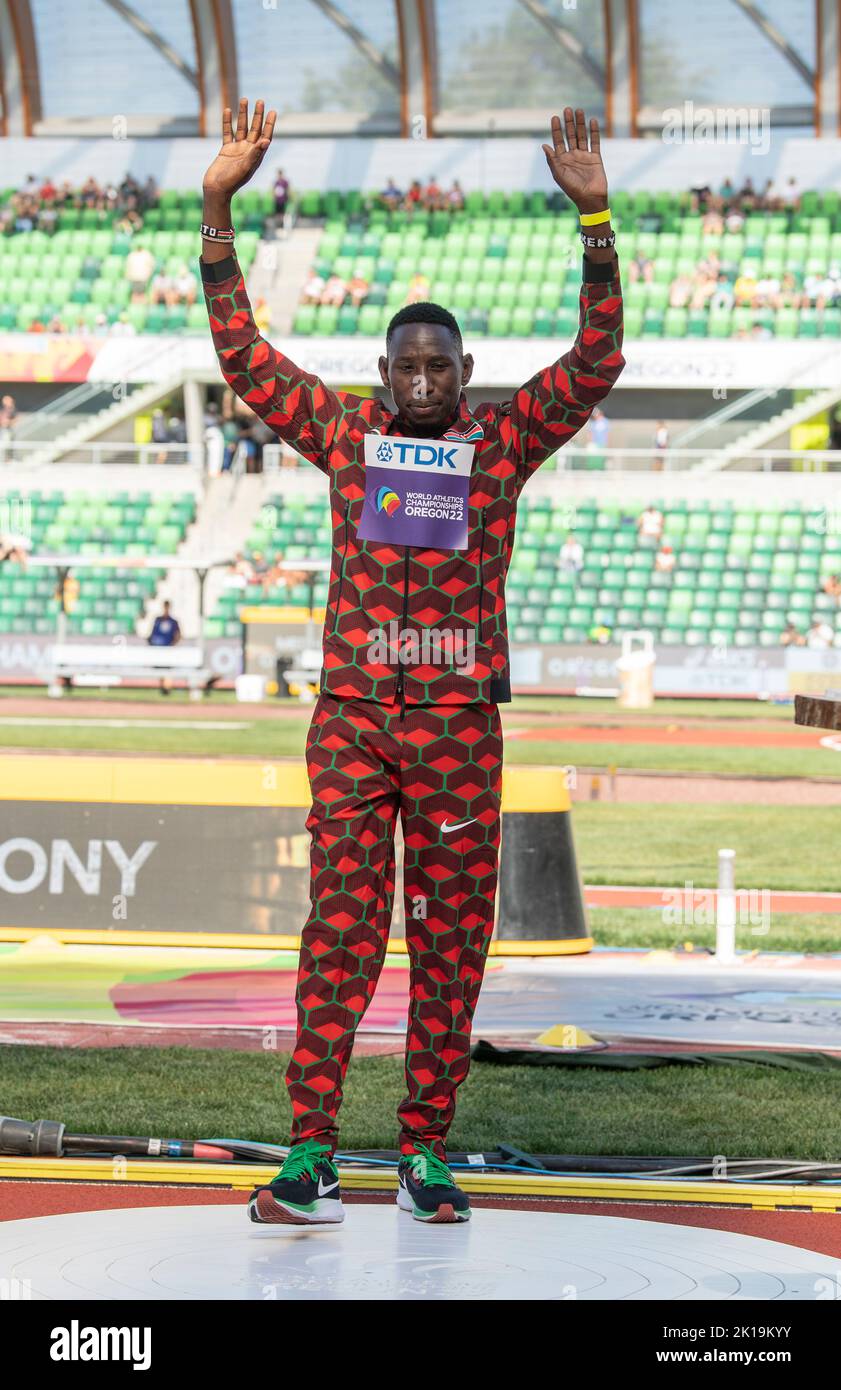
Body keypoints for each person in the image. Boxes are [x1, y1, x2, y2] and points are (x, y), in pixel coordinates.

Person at [200, 97, 624, 1226]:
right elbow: (242, 358)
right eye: (408, 365)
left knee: (448, 939)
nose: (426, 379)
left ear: (466, 370)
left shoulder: (503, 444)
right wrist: (214, 209)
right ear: (384, 376)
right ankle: (310, 1152)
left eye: (442, 364)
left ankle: (424, 1149)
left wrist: (595, 222)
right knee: (338, 933)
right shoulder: (345, 435)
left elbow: (597, 361)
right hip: (349, 720)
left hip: (455, 729)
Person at [148, 599, 181, 694]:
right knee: (160, 669)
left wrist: (173, 645)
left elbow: (178, 635)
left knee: (167, 669)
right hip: (158, 649)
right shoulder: (158, 620)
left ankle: (167, 689)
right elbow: (152, 634)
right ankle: (163, 687)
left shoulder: (173, 622)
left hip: (168, 649)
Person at [0, 394, 17, 463]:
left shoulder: (12, 409)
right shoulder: (4, 409)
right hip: (3, 429)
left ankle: (8, 460)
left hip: (8, 430)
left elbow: (15, 419)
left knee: (8, 445)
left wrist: (8, 422)